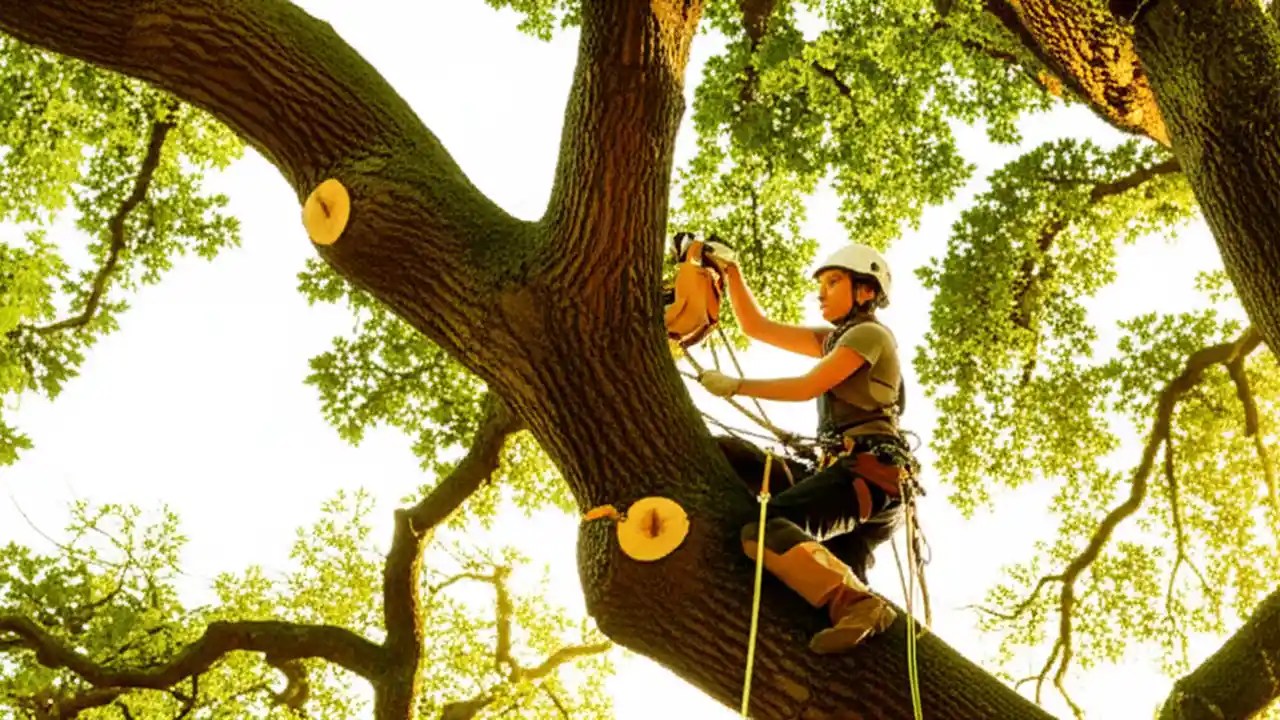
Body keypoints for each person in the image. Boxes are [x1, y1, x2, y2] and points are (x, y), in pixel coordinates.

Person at [698, 242, 918, 654]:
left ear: (866, 292)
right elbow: (757, 328)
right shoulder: (836, 339)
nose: (822, 292)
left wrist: (736, 386)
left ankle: (861, 604)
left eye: (834, 282)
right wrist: (731, 271)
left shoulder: (868, 334)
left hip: (867, 472)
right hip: (853, 477)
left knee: (766, 529)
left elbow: (807, 387)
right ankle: (856, 609)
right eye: (821, 284)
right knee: (737, 457)